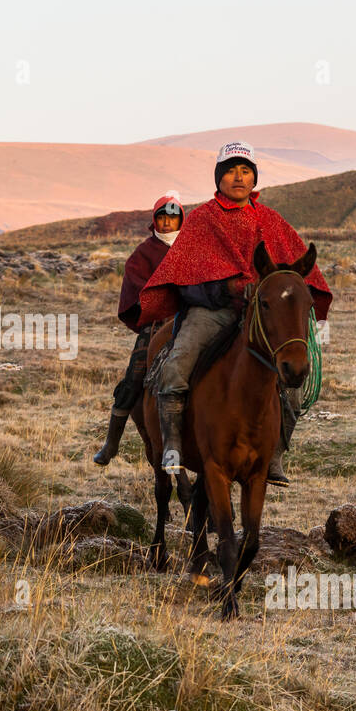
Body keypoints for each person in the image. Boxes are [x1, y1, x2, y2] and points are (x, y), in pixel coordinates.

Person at [137, 142, 333, 485]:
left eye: (245, 171)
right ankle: (172, 446)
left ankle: (274, 456)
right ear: (219, 177)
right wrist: (222, 290)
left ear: (254, 177)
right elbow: (182, 280)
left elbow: (292, 275)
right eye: (230, 170)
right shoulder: (201, 220)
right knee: (176, 365)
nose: (238, 177)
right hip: (211, 312)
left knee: (294, 382)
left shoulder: (271, 221)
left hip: (262, 314)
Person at [93, 194, 184, 465]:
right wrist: (162, 299)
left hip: (192, 317)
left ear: (181, 219)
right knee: (135, 374)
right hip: (156, 323)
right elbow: (138, 288)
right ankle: (112, 442)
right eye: (162, 218)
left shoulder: (191, 249)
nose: (167, 223)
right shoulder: (144, 253)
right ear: (154, 221)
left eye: (172, 218)